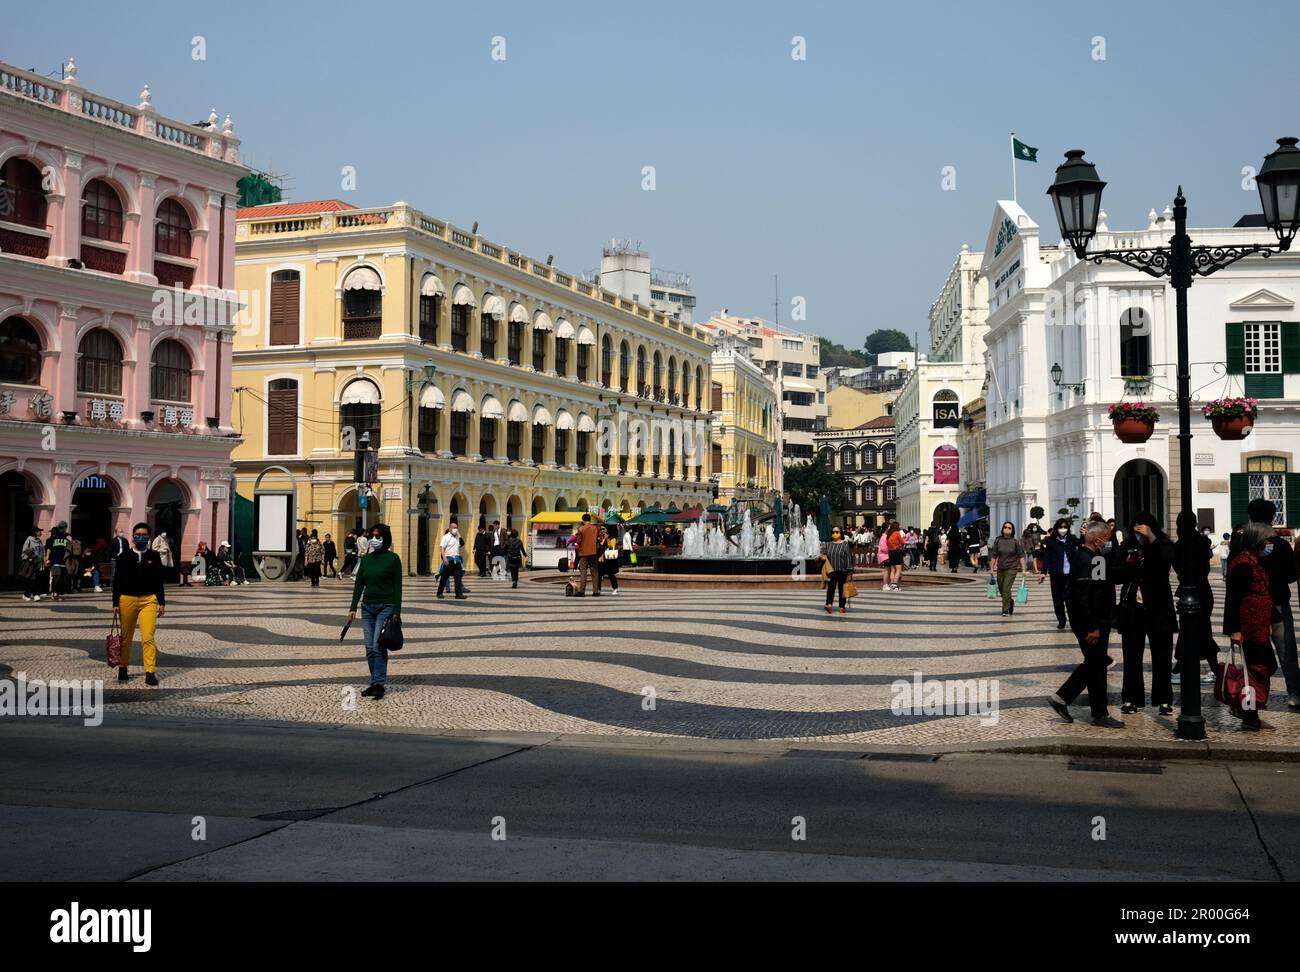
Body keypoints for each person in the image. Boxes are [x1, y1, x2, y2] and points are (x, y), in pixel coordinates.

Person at [1047, 522, 1123, 727]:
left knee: (1096, 665)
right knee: (1096, 664)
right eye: (1106, 537)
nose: (1108, 541)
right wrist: (1093, 626)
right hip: (1091, 623)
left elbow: (1101, 587)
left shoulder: (1093, 558)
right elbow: (1086, 596)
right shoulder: (1086, 559)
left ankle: (1097, 712)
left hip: (1097, 620)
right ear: (1096, 539)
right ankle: (1066, 700)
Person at [1114, 512, 1177, 715]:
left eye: (1144, 527)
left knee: (1162, 655)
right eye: (1136, 527)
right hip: (1134, 607)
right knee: (1132, 656)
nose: (1139, 532)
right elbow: (1115, 574)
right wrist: (1129, 565)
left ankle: (1164, 699)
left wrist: (1152, 538)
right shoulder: (1126, 546)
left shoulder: (1163, 543)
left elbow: (1167, 560)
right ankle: (1131, 698)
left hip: (1159, 607)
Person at [1222, 521, 1281, 730]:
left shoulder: (1253, 562)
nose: (1269, 543)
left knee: (1262, 669)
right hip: (1248, 628)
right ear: (1257, 542)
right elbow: (1233, 600)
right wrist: (1234, 630)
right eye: (1266, 540)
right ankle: (1249, 716)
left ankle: (1247, 711)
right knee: (1257, 671)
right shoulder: (1243, 565)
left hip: (1259, 627)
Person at [1241, 499, 1298, 709]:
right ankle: (1294, 692)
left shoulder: (1241, 544)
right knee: (1286, 651)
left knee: (1253, 653)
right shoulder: (1282, 546)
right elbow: (1292, 574)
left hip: (1251, 605)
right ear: (1272, 518)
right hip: (1278, 603)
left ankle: (1254, 694)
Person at [347, 523, 402, 701]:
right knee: (369, 648)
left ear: (385, 538)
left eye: (378, 536)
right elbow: (359, 584)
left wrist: (397, 612)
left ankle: (379, 684)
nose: (374, 539)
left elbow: (397, 587)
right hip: (368, 607)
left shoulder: (393, 559)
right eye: (372, 536)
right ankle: (374, 682)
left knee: (378, 646)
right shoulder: (367, 560)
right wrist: (353, 607)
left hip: (385, 607)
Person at [113, 521, 167, 686]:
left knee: (148, 637)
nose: (141, 537)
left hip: (148, 600)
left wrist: (161, 601)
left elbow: (159, 580)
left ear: (148, 537)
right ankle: (123, 667)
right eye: (138, 535)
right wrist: (115, 603)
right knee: (126, 637)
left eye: (144, 535)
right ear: (133, 537)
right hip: (127, 599)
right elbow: (118, 581)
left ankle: (150, 672)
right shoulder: (123, 557)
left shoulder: (153, 556)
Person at [1172, 510, 1218, 688]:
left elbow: (1178, 568)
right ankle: (1181, 667)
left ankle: (1180, 668)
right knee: (1200, 630)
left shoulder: (1181, 545)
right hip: (1203, 591)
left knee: (1195, 631)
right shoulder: (1202, 542)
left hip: (1191, 591)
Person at [1039, 517, 1080, 630]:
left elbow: (1082, 549)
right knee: (1058, 600)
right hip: (1056, 574)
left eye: (1065, 527)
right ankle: (1061, 620)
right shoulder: (1051, 541)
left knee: (1071, 600)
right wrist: (1043, 573)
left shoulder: (1072, 539)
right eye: (1061, 527)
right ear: (1057, 528)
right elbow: (1047, 557)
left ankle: (1073, 621)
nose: (1063, 529)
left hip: (1070, 574)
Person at [989, 521, 1025, 617]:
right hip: (1001, 568)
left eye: (1009, 528)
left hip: (1012, 568)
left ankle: (1005, 610)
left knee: (1006, 588)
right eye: (1005, 527)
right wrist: (991, 569)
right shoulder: (998, 541)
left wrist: (1024, 570)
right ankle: (1010, 602)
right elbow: (994, 555)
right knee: (1001, 589)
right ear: (1002, 528)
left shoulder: (1015, 542)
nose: (1007, 529)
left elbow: (1021, 556)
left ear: (1012, 530)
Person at [821, 526, 854, 614]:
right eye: (833, 532)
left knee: (842, 589)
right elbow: (825, 555)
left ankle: (842, 607)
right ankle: (829, 604)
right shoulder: (829, 544)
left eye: (837, 532)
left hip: (842, 571)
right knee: (830, 588)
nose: (834, 534)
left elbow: (848, 558)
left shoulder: (845, 544)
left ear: (841, 533)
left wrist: (850, 572)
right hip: (831, 571)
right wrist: (823, 557)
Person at [436, 521, 467, 599]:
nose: (455, 529)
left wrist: (459, 534)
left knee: (458, 578)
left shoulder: (457, 537)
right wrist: (444, 558)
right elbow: (442, 548)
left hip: (456, 559)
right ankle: (439, 593)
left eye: (456, 528)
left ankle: (458, 594)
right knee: (444, 577)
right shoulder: (446, 537)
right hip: (448, 559)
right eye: (454, 528)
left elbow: (462, 543)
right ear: (449, 529)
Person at [45, 521, 70, 601]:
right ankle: (54, 592)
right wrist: (47, 558)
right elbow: (49, 548)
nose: (63, 529)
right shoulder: (53, 537)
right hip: (55, 561)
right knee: (57, 577)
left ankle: (58, 594)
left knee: (62, 579)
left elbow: (71, 547)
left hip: (64, 562)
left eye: (64, 527)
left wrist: (70, 539)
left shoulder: (67, 536)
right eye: (62, 527)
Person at [19, 527, 45, 601]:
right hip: (30, 563)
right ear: (35, 532)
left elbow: (42, 552)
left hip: (38, 563)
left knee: (37, 579)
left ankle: (31, 594)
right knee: (31, 579)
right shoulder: (29, 540)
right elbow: (24, 551)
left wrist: (42, 560)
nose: (40, 532)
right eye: (39, 531)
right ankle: (33, 594)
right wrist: (31, 557)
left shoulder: (39, 541)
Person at [885, 520, 904, 591]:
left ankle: (892, 584)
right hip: (896, 552)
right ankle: (895, 585)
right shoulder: (897, 533)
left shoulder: (889, 534)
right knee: (898, 569)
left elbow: (887, 543)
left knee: (892, 569)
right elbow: (902, 542)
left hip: (890, 552)